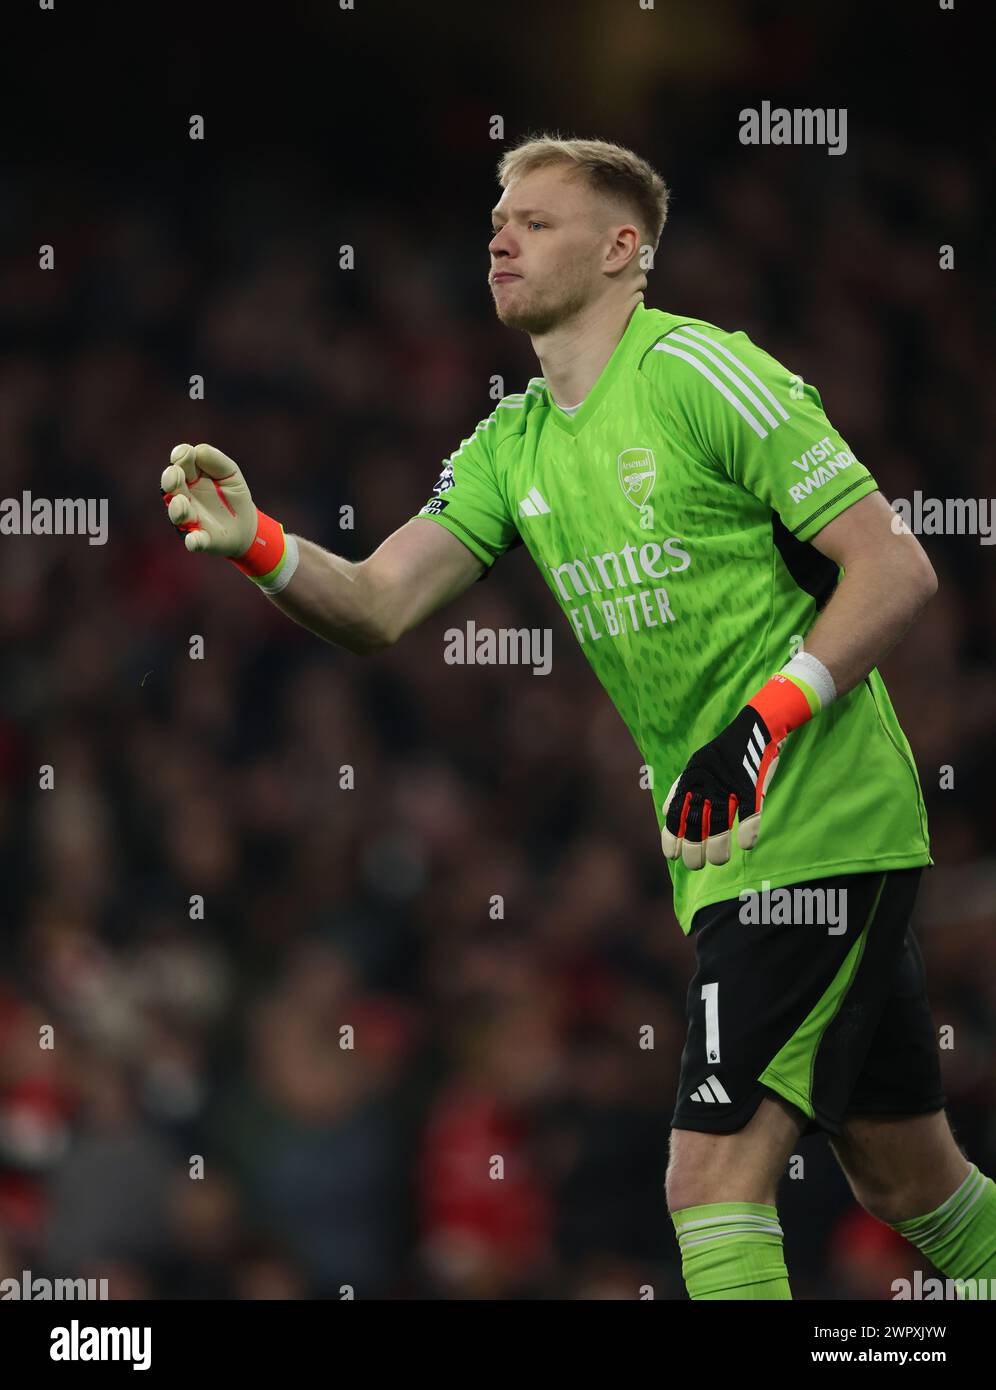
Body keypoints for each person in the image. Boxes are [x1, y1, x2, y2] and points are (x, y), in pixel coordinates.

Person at [159, 134, 996, 1300]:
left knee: (710, 1178)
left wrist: (762, 721)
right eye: (497, 221)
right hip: (725, 850)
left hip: (818, 820)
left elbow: (895, 567)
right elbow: (378, 602)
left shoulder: (699, 372)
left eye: (536, 222)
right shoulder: (513, 444)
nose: (500, 237)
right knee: (909, 1180)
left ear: (621, 250)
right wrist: (258, 541)